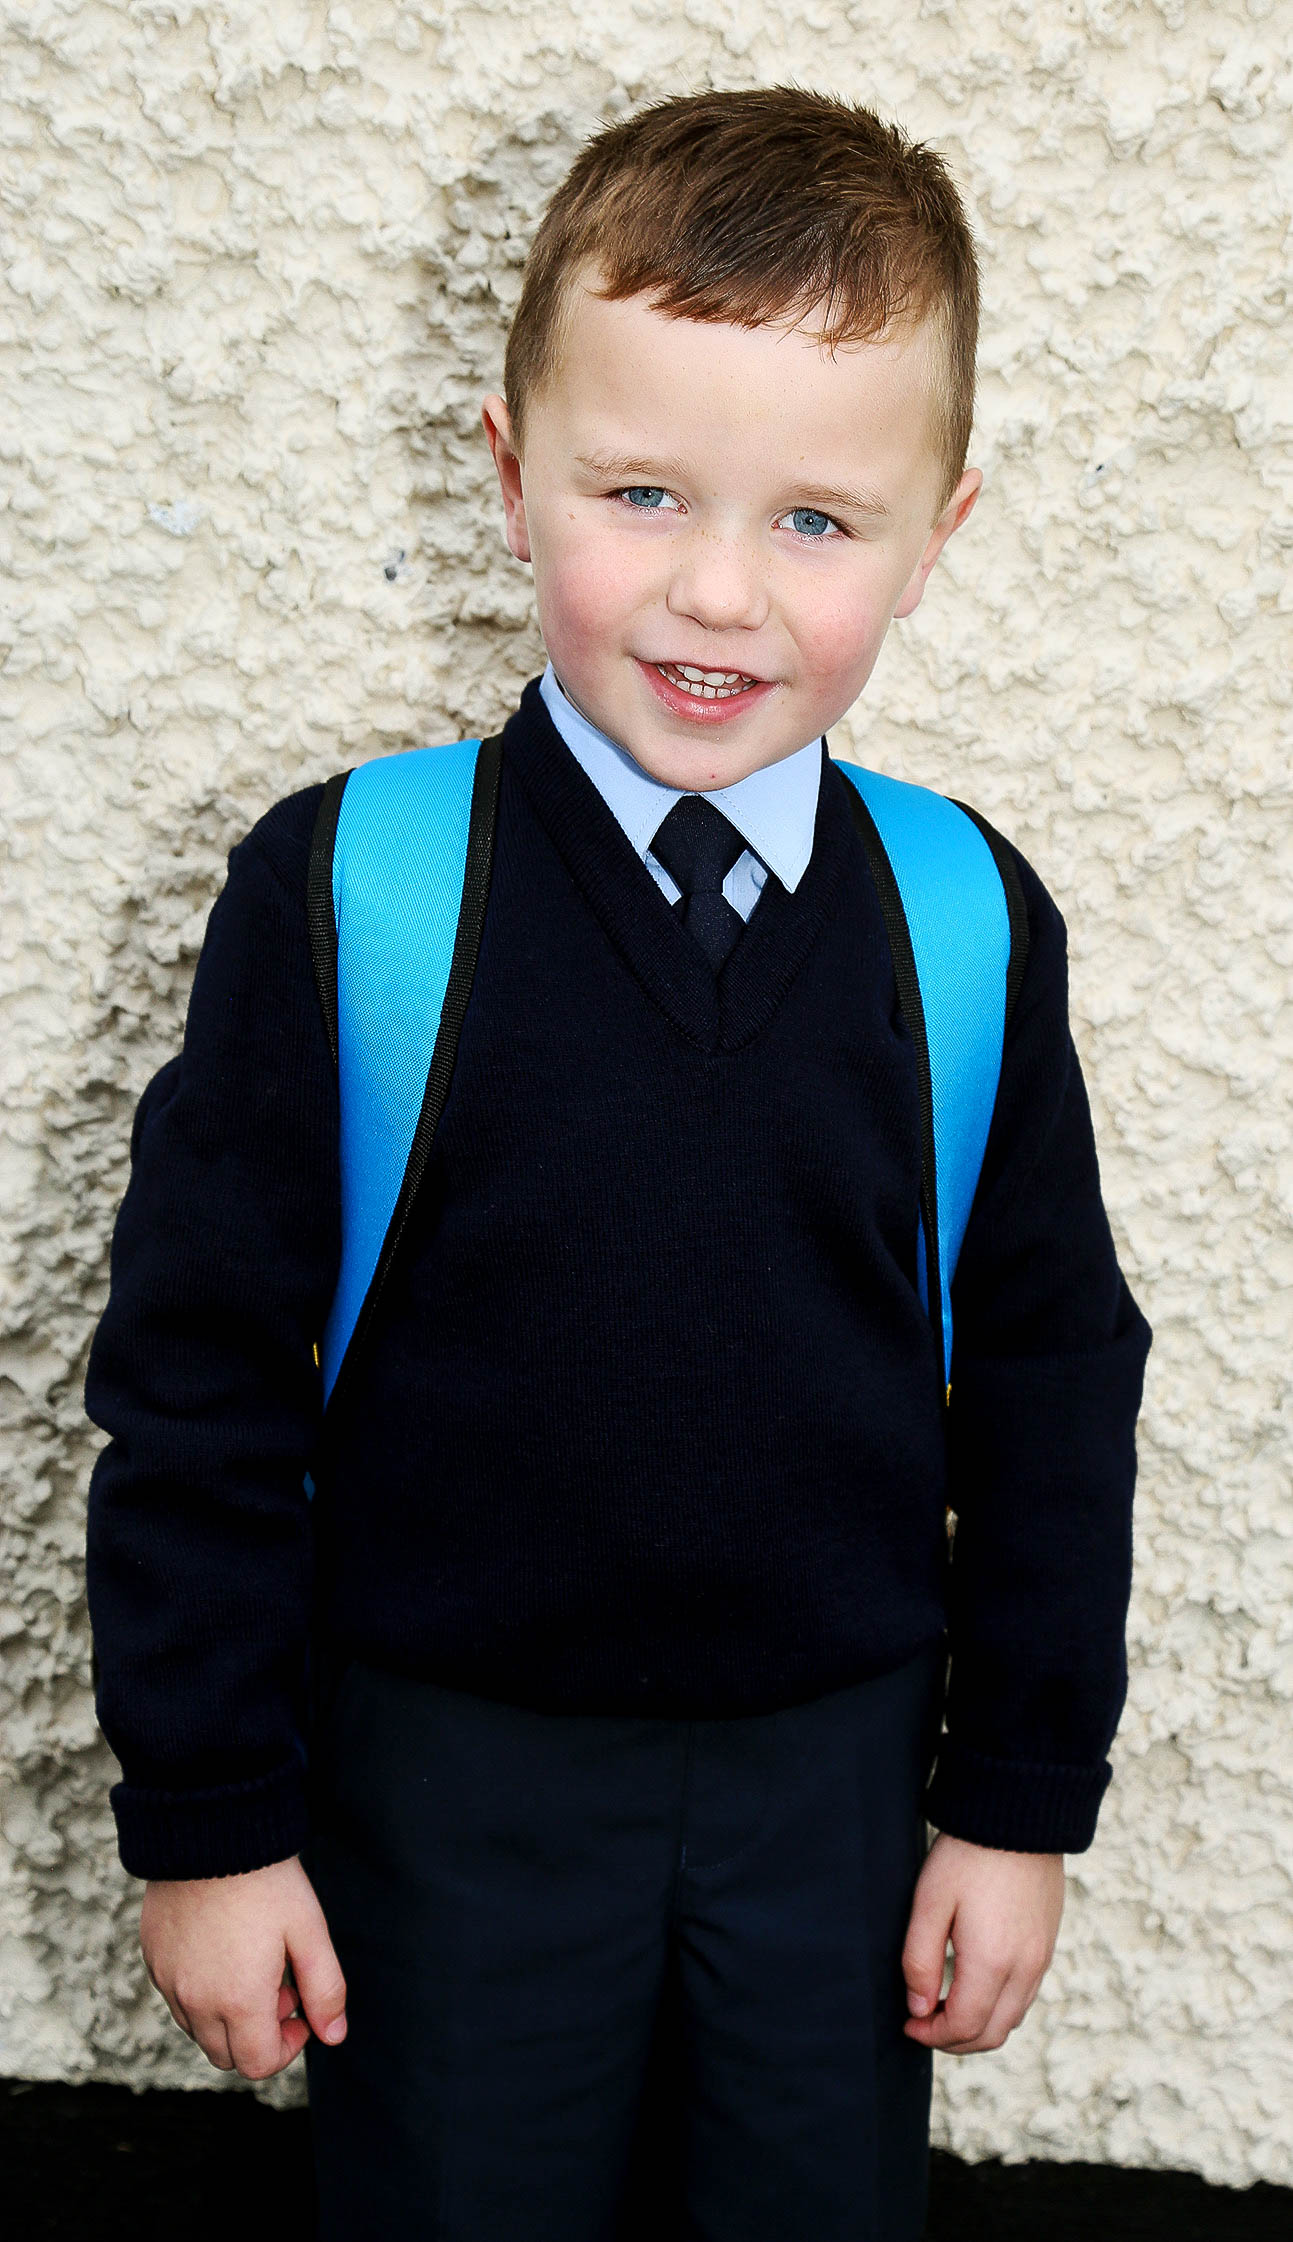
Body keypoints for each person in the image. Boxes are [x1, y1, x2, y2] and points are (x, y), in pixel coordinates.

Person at [84, 85, 1152, 2241]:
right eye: (640, 488)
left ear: (935, 533)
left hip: (835, 1796)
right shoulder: (355, 888)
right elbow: (196, 1379)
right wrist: (208, 1822)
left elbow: (1051, 1375)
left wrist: (1013, 1799)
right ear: (505, 473)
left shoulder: (958, 919)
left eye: (814, 522)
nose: (713, 590)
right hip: (445, 1788)